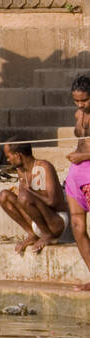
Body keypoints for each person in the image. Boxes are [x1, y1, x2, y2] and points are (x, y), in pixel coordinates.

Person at [0, 140, 66, 254]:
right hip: (38, 221)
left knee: (24, 197)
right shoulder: (20, 171)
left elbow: (53, 201)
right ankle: (32, 234)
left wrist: (30, 192)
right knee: (3, 196)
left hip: (56, 221)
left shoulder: (44, 167)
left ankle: (47, 234)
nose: (8, 160)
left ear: (18, 155)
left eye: (8, 157)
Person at [63, 75, 90, 290]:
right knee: (77, 226)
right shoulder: (78, 114)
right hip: (76, 173)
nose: (80, 104)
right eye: (77, 101)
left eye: (85, 100)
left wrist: (83, 156)